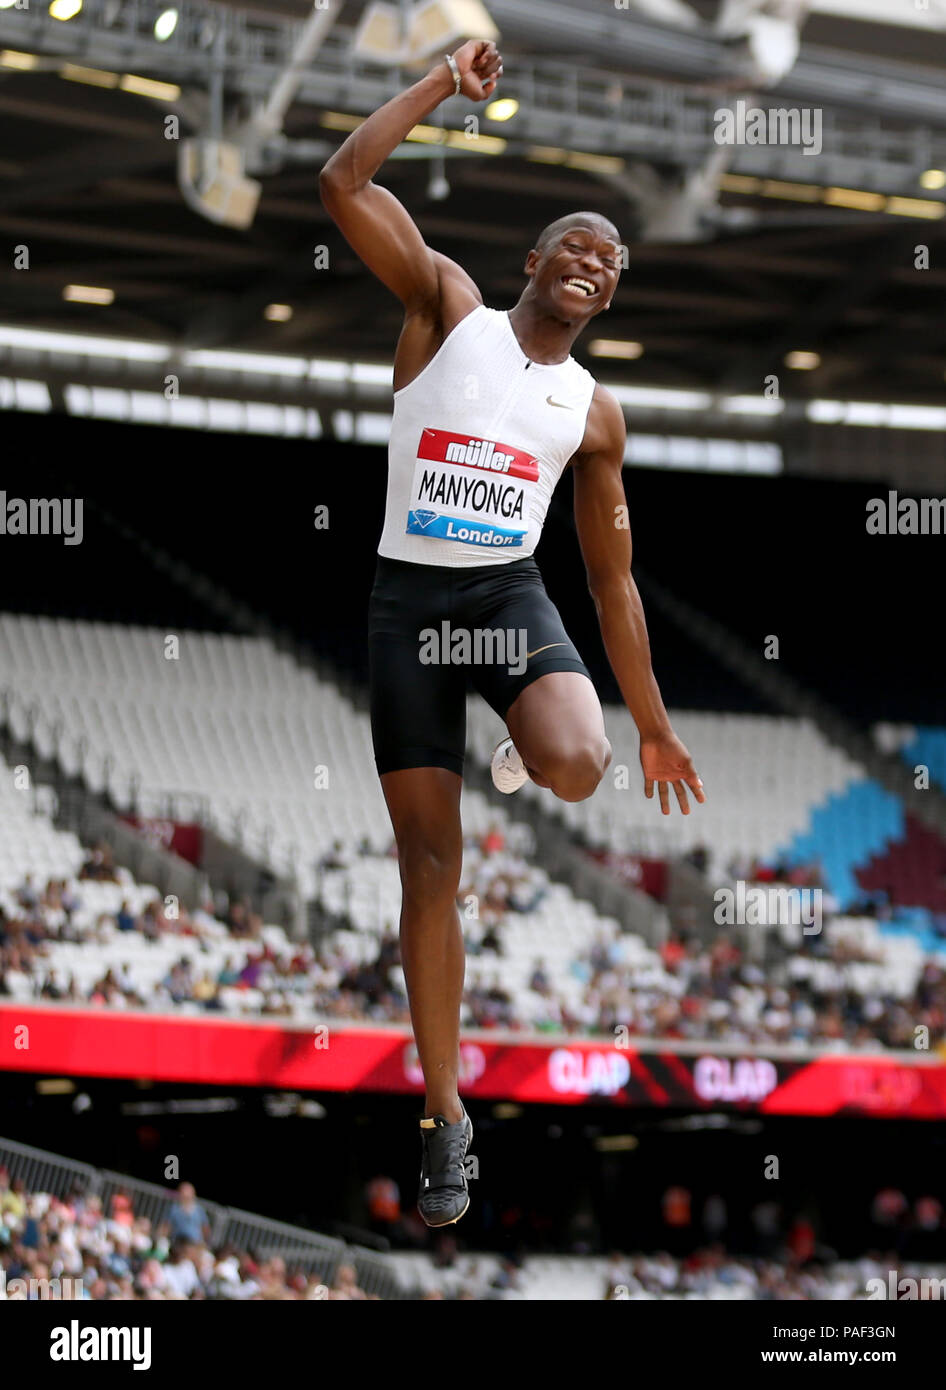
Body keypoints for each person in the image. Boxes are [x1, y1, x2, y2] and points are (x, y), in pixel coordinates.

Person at [320, 38, 704, 1228]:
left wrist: (650, 721)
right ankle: (445, 1111)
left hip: (499, 601)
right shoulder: (448, 309)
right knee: (428, 869)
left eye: (612, 262)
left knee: (576, 763)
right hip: (406, 609)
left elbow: (613, 580)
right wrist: (441, 83)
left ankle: (525, 746)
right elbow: (341, 182)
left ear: (609, 296)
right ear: (533, 261)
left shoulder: (592, 412)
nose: (593, 263)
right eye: (575, 246)